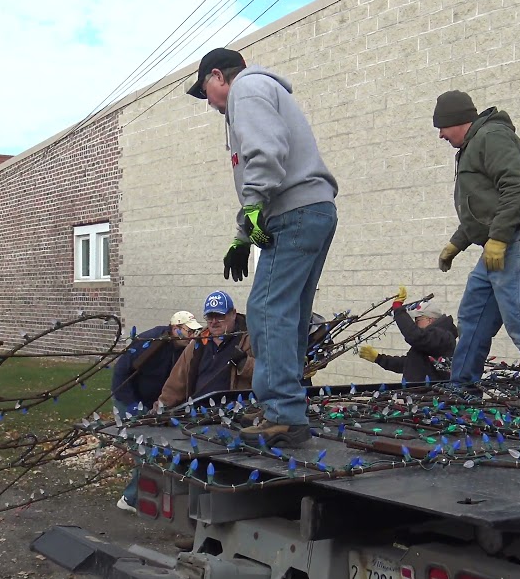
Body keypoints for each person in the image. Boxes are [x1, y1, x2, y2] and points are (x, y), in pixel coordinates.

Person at [187, 46, 338, 447]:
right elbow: (262, 172)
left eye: (207, 92)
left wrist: (253, 215)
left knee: (266, 310)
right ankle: (282, 405)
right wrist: (243, 233)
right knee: (290, 313)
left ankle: (282, 414)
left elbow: (266, 157)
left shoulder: (247, 90)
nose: (211, 105)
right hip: (311, 210)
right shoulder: (262, 93)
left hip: (295, 212)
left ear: (218, 76)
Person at [433, 90, 520, 404]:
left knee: (519, 316)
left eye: (442, 127)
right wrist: (456, 244)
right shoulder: (472, 146)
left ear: (458, 121)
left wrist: (498, 238)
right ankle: (462, 387)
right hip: (500, 241)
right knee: (473, 313)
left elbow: (517, 188)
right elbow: (483, 208)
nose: (440, 134)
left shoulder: (492, 137)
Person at [111, 309, 201, 512]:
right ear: (175, 328)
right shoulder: (151, 341)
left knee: (161, 447)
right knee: (143, 451)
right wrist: (131, 405)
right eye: (189, 331)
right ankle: (129, 499)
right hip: (129, 399)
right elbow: (121, 371)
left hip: (154, 403)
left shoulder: (184, 349)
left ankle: (152, 494)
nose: (192, 336)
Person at [157, 291, 255, 408]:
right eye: (210, 316)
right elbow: (176, 383)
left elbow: (271, 376)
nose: (214, 322)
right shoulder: (197, 344)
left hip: (234, 416)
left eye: (219, 316)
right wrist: (160, 408)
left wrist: (245, 364)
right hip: (198, 416)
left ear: (233, 314)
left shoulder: (251, 340)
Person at [359, 287, 458, 384]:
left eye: (418, 320)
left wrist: (398, 309)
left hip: (431, 397)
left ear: (430, 319)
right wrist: (379, 358)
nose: (415, 324)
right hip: (418, 396)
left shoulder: (442, 337)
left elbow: (415, 336)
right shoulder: (430, 341)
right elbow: (409, 364)